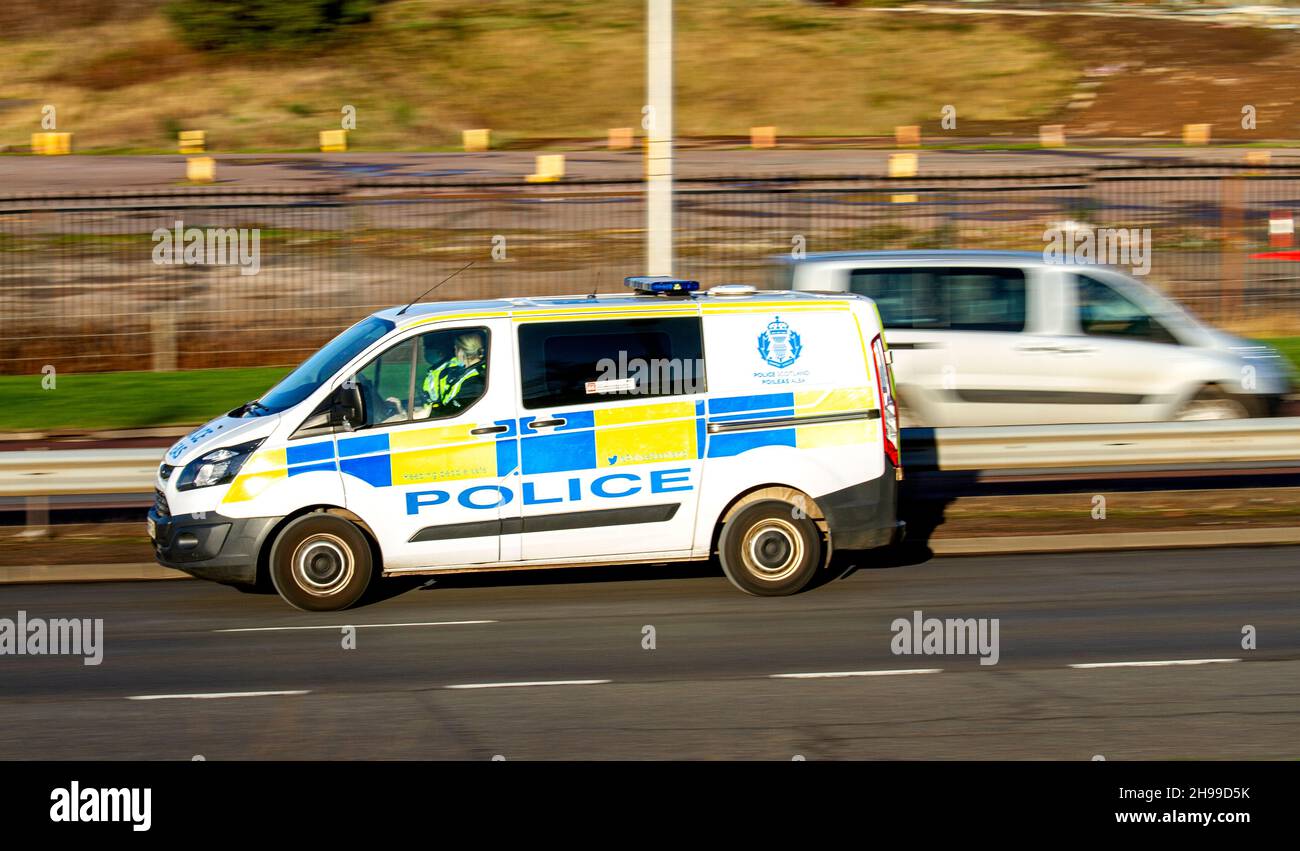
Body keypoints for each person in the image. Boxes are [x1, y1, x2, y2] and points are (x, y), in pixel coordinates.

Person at [413, 331, 486, 419]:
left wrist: (421, 414)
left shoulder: (475, 381)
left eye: (455, 348)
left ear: (460, 351)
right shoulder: (467, 371)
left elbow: (453, 411)